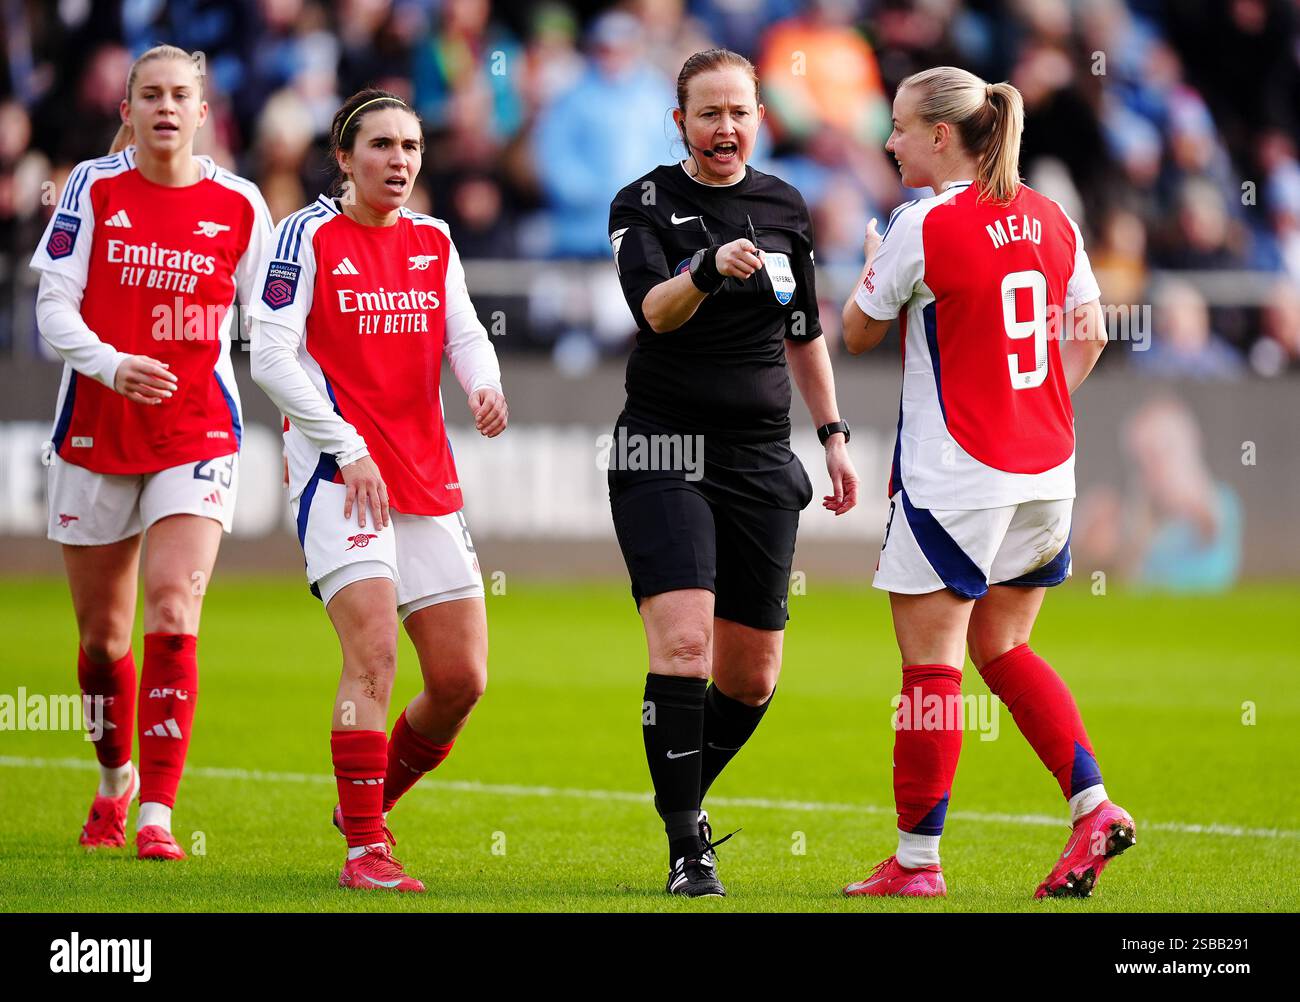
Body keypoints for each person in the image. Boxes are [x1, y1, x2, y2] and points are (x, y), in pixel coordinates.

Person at [839, 66, 1135, 899]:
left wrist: (869, 264)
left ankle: (917, 863)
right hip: (1046, 468)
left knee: (931, 672)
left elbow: (856, 332)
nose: (888, 141)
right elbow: (1092, 334)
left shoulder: (921, 223)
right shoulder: (1052, 216)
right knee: (1003, 646)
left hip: (955, 476)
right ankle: (1093, 808)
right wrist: (1028, 404)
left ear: (941, 136)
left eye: (899, 127)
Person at [607, 48, 858, 898]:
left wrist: (831, 432)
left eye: (739, 112)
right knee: (685, 643)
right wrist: (706, 270)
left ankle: (676, 789)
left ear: (760, 118)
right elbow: (653, 311)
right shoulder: (643, 201)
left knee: (751, 678)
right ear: (679, 121)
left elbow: (804, 331)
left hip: (760, 453)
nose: (725, 128)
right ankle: (688, 848)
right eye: (708, 113)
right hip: (664, 447)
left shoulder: (785, 204)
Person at [248, 88, 507, 893]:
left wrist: (484, 382)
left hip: (423, 474)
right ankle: (365, 850)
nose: (400, 161)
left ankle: (364, 806)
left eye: (411, 147)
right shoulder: (307, 236)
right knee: (374, 654)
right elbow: (271, 356)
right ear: (344, 157)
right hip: (338, 476)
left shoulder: (432, 239)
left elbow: (463, 330)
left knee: (462, 680)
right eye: (382, 146)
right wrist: (344, 445)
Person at [30, 45, 272, 861]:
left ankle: (160, 815)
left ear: (204, 112)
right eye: (150, 95)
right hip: (96, 428)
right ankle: (115, 778)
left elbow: (275, 330)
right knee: (103, 641)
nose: (166, 107)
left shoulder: (240, 205)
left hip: (196, 428)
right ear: (126, 109)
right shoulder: (91, 190)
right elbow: (52, 309)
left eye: (181, 96)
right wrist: (110, 362)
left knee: (174, 606)